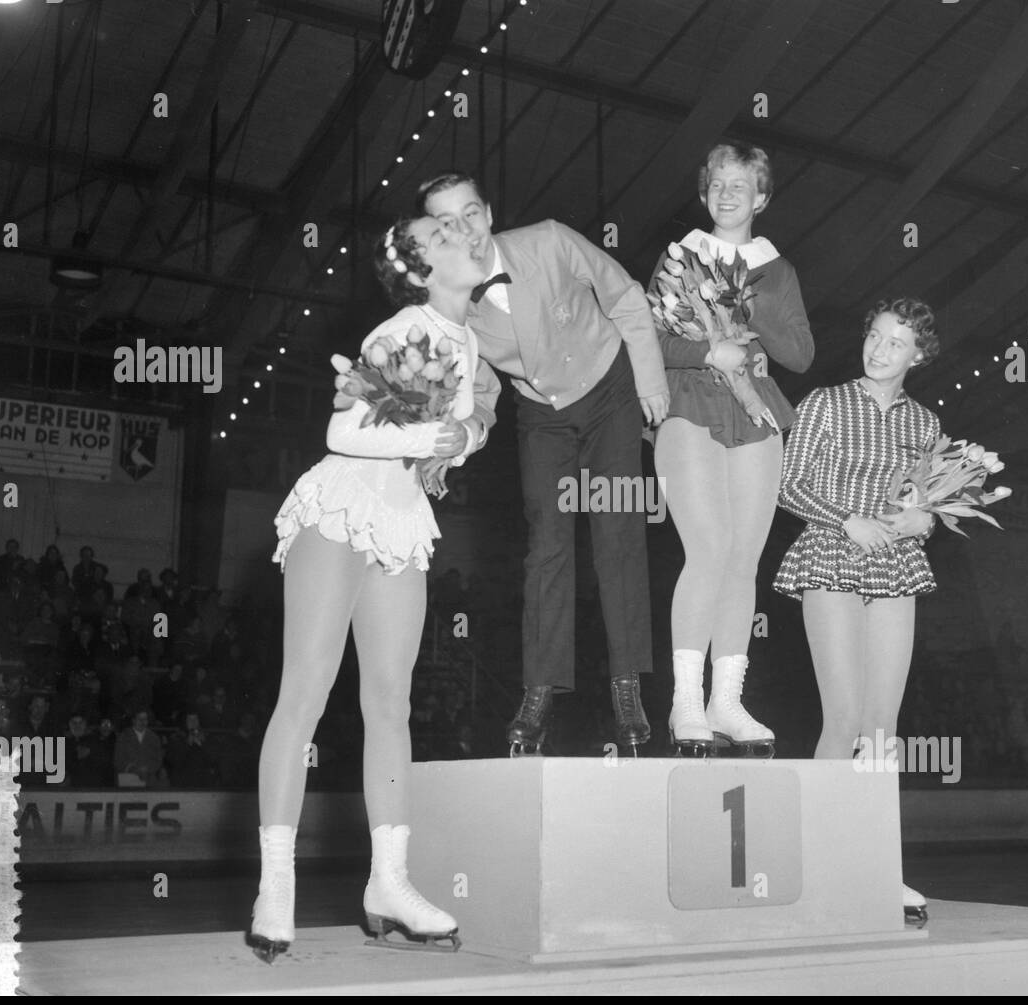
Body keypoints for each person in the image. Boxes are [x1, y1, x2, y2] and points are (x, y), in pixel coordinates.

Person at [249, 215, 500, 963]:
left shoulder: (469, 340)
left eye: (469, 227)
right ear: (422, 271)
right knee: (307, 693)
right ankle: (275, 887)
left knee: (391, 703)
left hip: (400, 519)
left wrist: (453, 447)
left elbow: (439, 439)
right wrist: (430, 439)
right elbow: (345, 431)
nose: (469, 235)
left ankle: (388, 884)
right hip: (342, 508)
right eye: (448, 235)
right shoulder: (402, 327)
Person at [420, 172, 668, 755]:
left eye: (471, 213)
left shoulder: (551, 241)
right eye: (447, 224)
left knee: (617, 535)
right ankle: (539, 692)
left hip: (610, 393)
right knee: (546, 546)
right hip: (543, 415)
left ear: (488, 211)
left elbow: (627, 296)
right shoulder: (449, 306)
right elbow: (480, 395)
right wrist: (460, 440)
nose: (466, 231)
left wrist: (652, 382)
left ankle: (626, 686)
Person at [774, 298, 944, 924]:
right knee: (844, 717)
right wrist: (847, 518)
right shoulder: (823, 403)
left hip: (893, 563)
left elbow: (925, 506)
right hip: (831, 552)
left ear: (917, 356)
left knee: (882, 727)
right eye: (875, 335)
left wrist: (921, 519)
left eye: (896, 343)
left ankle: (876, 869)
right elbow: (788, 483)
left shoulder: (925, 424)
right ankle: (821, 867)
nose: (879, 349)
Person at [650, 141, 814, 755]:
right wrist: (706, 350)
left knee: (744, 560)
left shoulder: (781, 269)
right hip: (692, 399)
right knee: (711, 549)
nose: (727, 194)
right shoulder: (681, 256)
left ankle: (727, 701)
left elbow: (799, 354)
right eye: (718, 183)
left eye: (740, 186)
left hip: (757, 407)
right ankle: (684, 702)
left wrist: (746, 304)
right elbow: (647, 340)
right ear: (704, 191)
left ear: (761, 198)